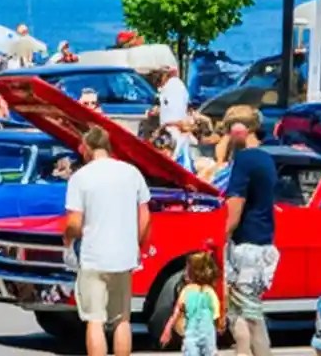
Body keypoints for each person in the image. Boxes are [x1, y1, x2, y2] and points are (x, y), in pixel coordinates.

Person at [64, 125, 152, 356]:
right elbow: (144, 215)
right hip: (123, 256)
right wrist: (137, 244)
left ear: (87, 148)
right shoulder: (131, 172)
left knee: (95, 320)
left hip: (94, 256)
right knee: (122, 319)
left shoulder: (80, 177)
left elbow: (74, 222)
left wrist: (67, 240)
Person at [224, 119, 279, 356]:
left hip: (246, 246)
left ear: (241, 131)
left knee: (243, 315)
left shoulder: (244, 160)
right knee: (252, 312)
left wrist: (219, 238)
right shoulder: (266, 158)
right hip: (264, 244)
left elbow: (234, 210)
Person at [160, 250, 223, 355]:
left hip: (191, 335)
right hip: (208, 335)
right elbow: (216, 315)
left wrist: (167, 330)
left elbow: (176, 312)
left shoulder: (187, 291)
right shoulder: (210, 292)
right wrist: (220, 326)